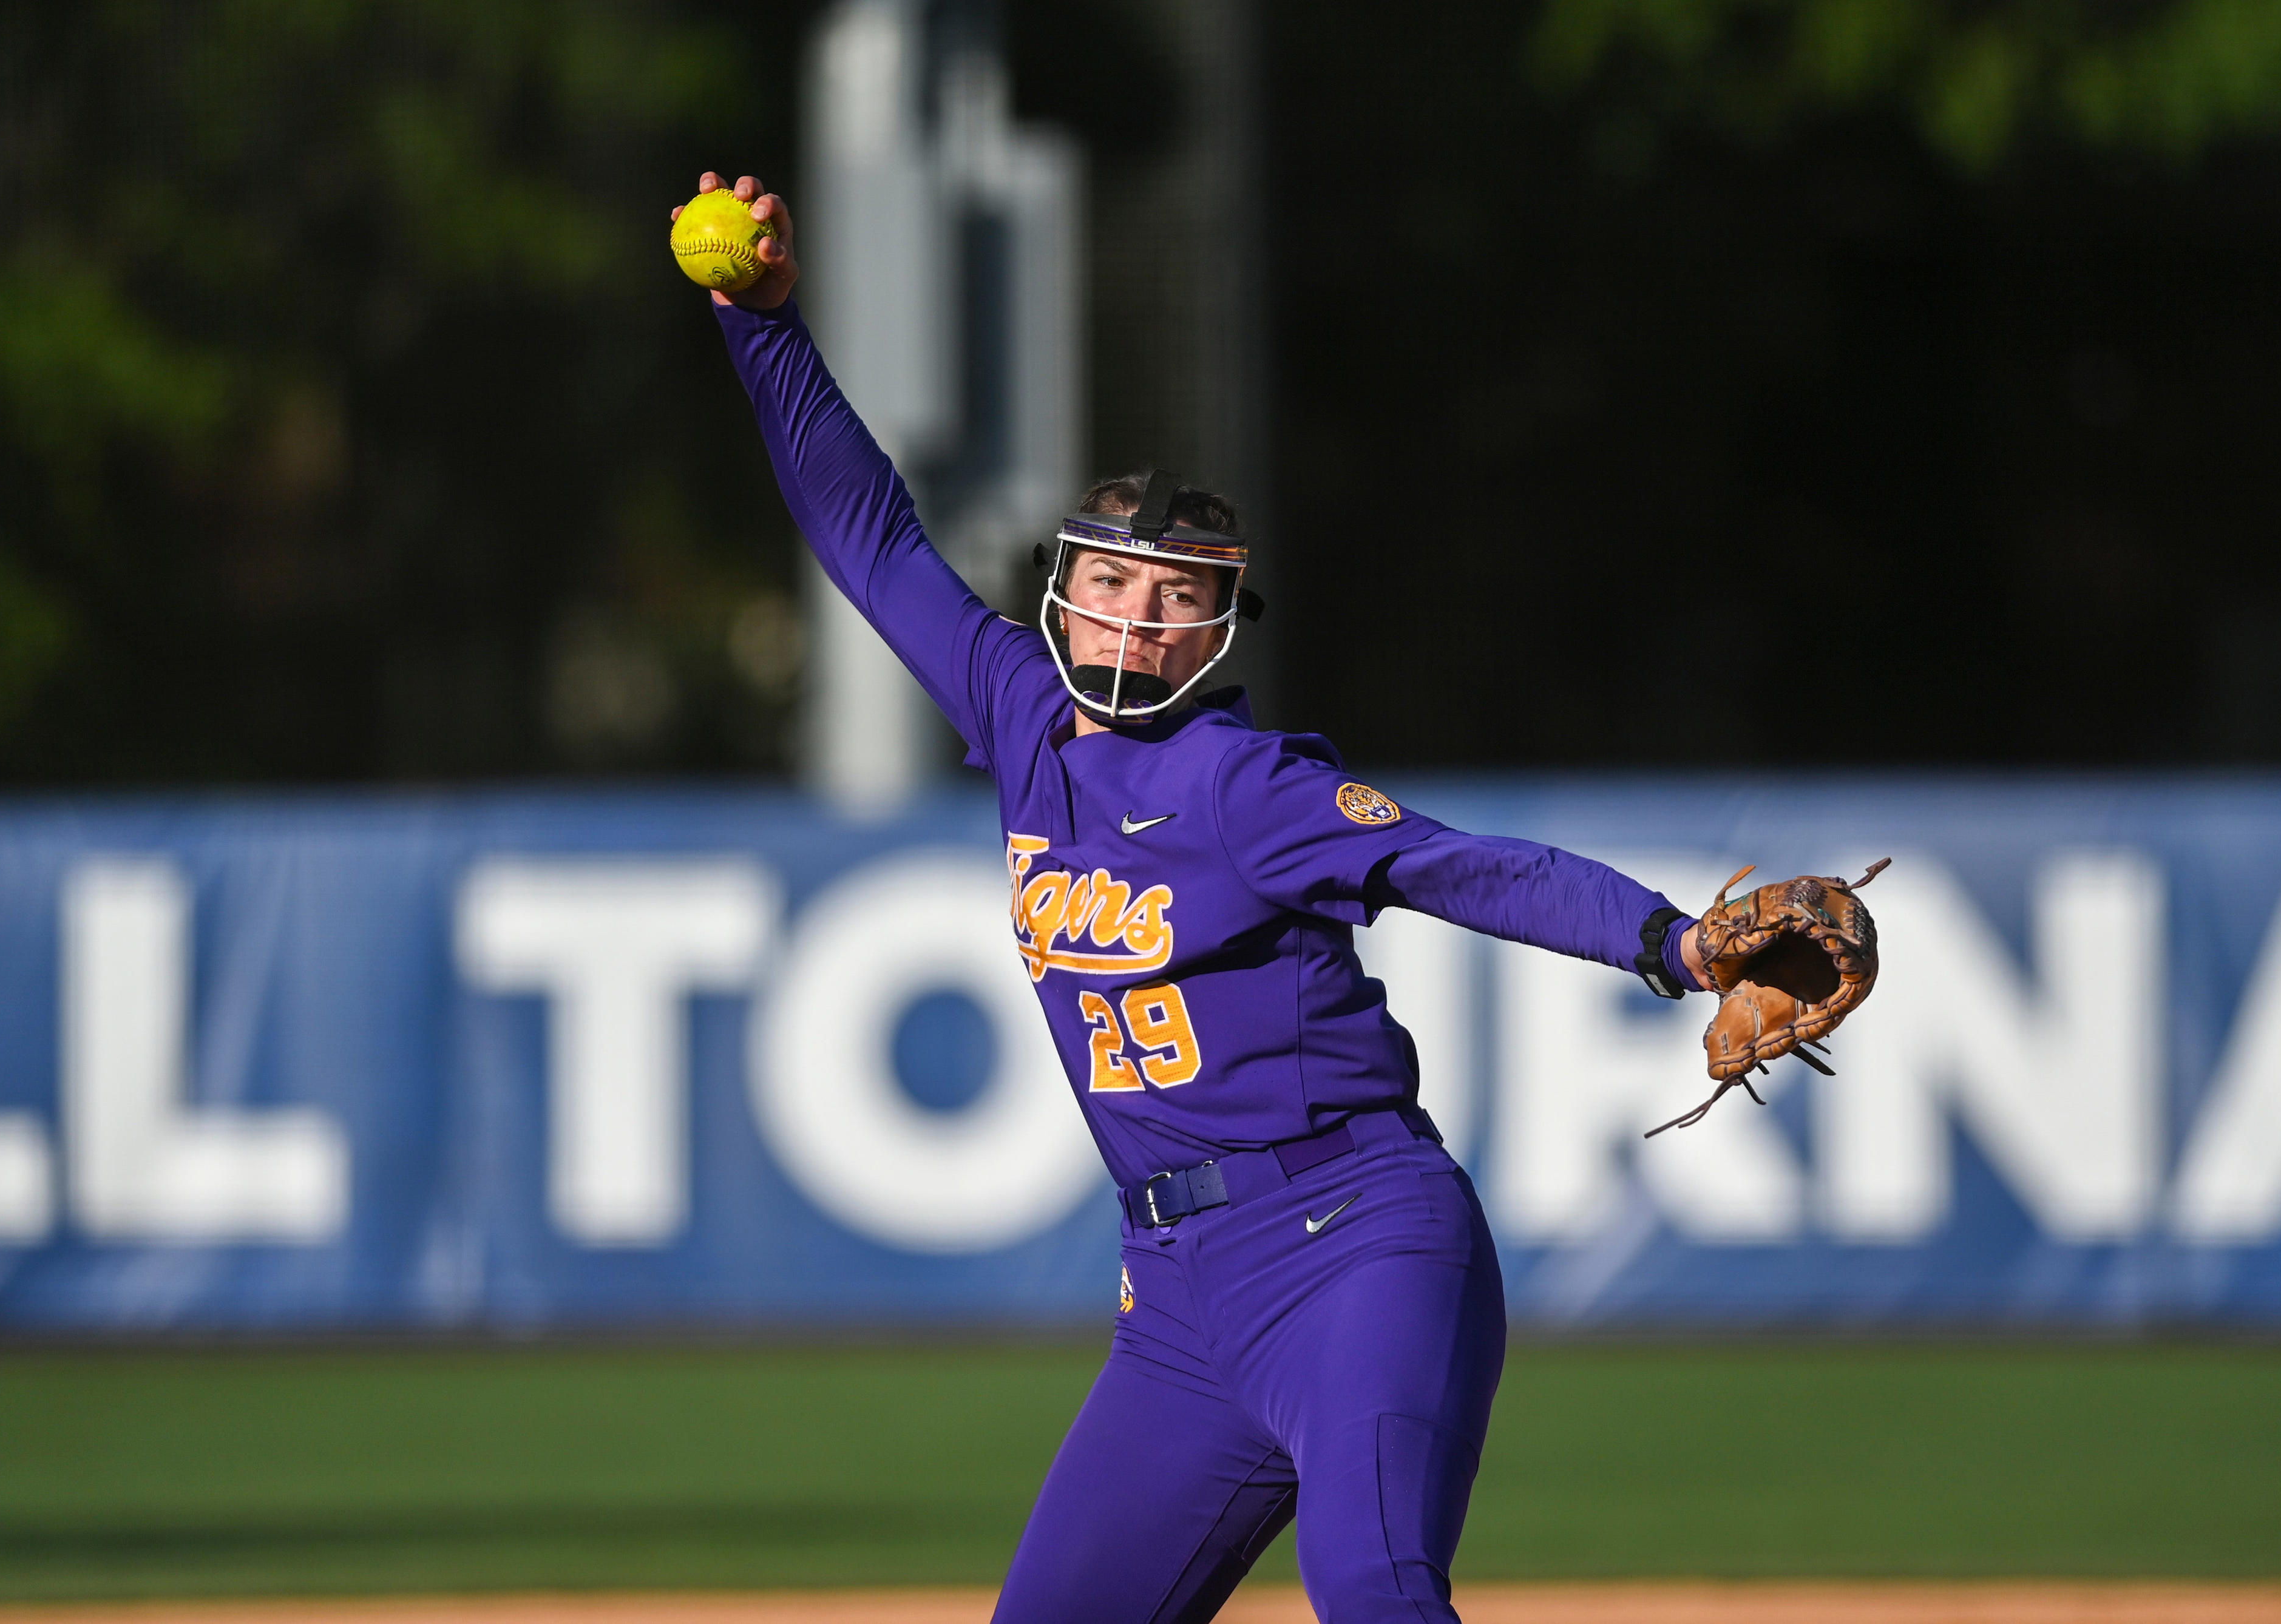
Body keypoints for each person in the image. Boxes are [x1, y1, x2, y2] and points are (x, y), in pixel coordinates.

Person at [685, 172, 1716, 1624]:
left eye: (1177, 596)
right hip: (1174, 1299)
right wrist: (765, 325)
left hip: (1355, 1244)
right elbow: (868, 537)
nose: (1137, 613)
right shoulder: (1016, 709)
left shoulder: (1246, 784)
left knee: (1373, 1588)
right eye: (1113, 577)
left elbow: (1457, 863)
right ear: (1062, 589)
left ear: (1217, 629)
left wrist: (1674, 940)